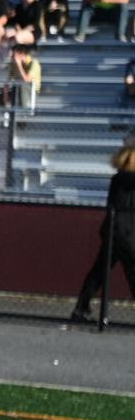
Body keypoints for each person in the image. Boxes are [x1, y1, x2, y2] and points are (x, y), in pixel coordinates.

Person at [72, 137, 135, 322]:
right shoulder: (129, 179)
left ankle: (81, 308)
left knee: (99, 271)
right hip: (127, 233)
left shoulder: (118, 178)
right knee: (131, 271)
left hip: (113, 231)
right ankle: (81, 308)